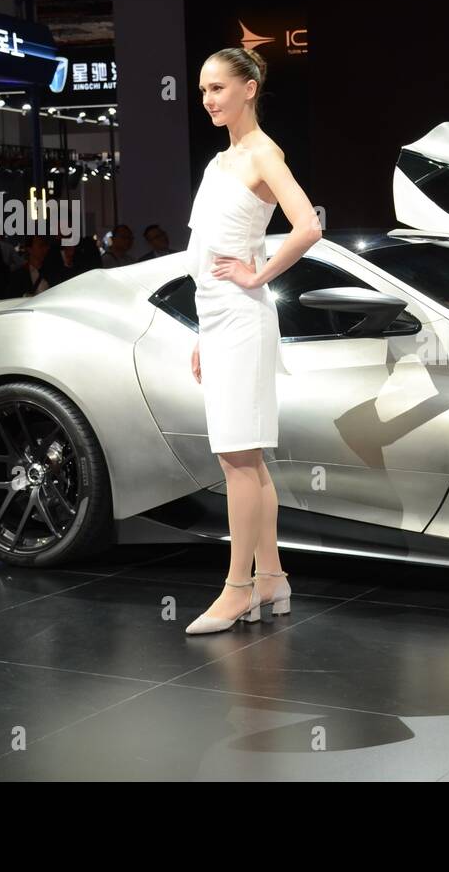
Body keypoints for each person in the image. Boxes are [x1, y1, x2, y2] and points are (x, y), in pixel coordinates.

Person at [183, 46, 323, 635]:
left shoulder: (263, 154)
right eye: (203, 90)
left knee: (238, 459)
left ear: (249, 87)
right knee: (245, 460)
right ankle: (272, 578)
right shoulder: (222, 161)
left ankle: (237, 588)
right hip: (217, 320)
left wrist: (258, 275)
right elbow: (207, 250)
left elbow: (309, 225)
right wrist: (199, 332)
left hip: (243, 319)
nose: (209, 99)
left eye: (218, 88)